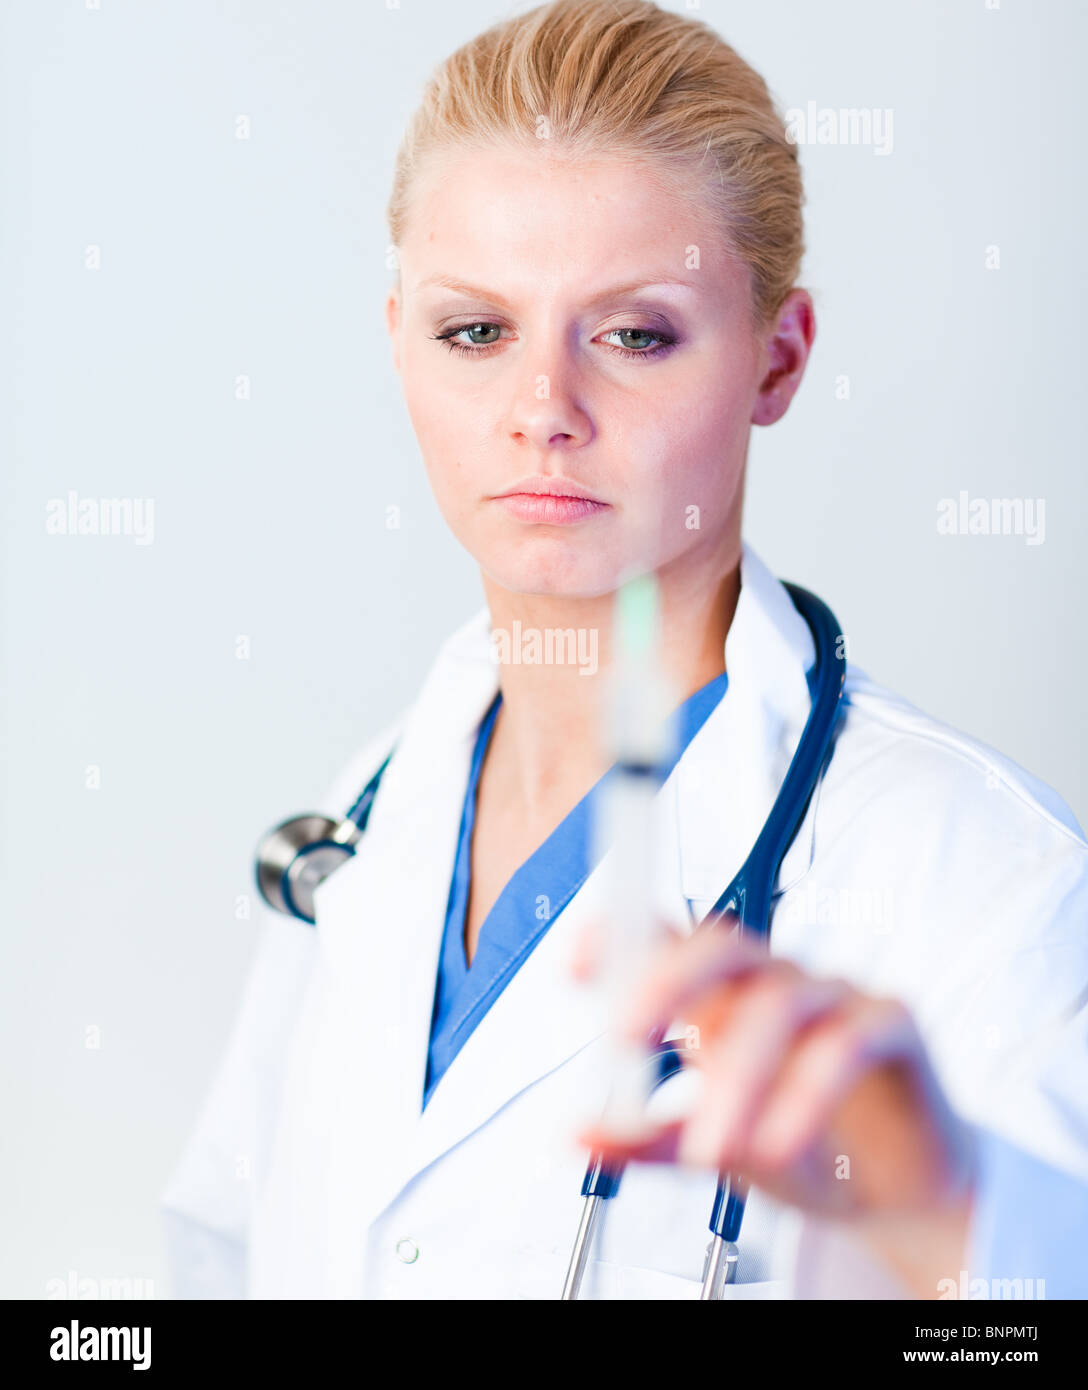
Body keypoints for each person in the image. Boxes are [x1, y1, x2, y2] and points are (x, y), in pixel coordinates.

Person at [160, 0, 1088, 1299]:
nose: (543, 409)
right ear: (397, 345)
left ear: (778, 356)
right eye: (476, 331)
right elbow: (219, 1250)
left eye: (635, 332)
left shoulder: (982, 883)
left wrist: (949, 1214)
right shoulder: (373, 816)